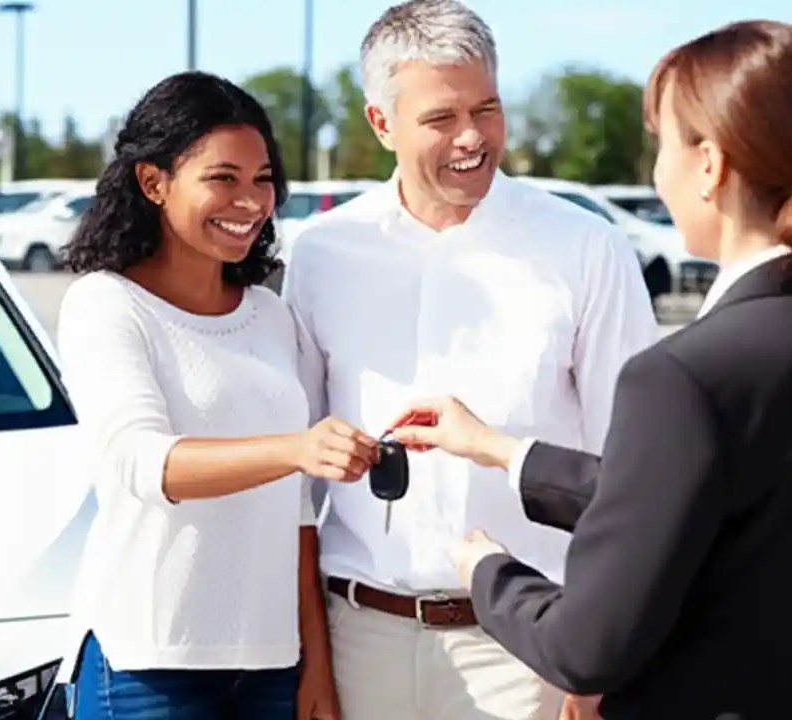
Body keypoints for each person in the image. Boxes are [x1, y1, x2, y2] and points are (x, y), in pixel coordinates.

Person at [388, 20, 792, 720]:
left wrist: (487, 572)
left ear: (709, 165)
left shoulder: (682, 375)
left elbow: (587, 647)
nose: (657, 171)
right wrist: (504, 451)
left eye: (664, 144)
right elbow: (724, 502)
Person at [279, 1, 659, 718]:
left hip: (531, 647)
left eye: (487, 109)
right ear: (380, 123)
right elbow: (299, 482)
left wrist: (596, 662)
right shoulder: (322, 253)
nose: (472, 138)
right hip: (360, 639)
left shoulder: (585, 248)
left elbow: (631, 471)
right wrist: (314, 660)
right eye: (440, 119)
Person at [57, 71, 377, 720]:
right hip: (145, 665)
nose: (251, 201)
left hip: (269, 666)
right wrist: (296, 448)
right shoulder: (106, 304)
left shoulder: (269, 313)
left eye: (262, 180)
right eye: (222, 177)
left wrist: (313, 660)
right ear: (153, 182)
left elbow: (296, 512)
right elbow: (146, 465)